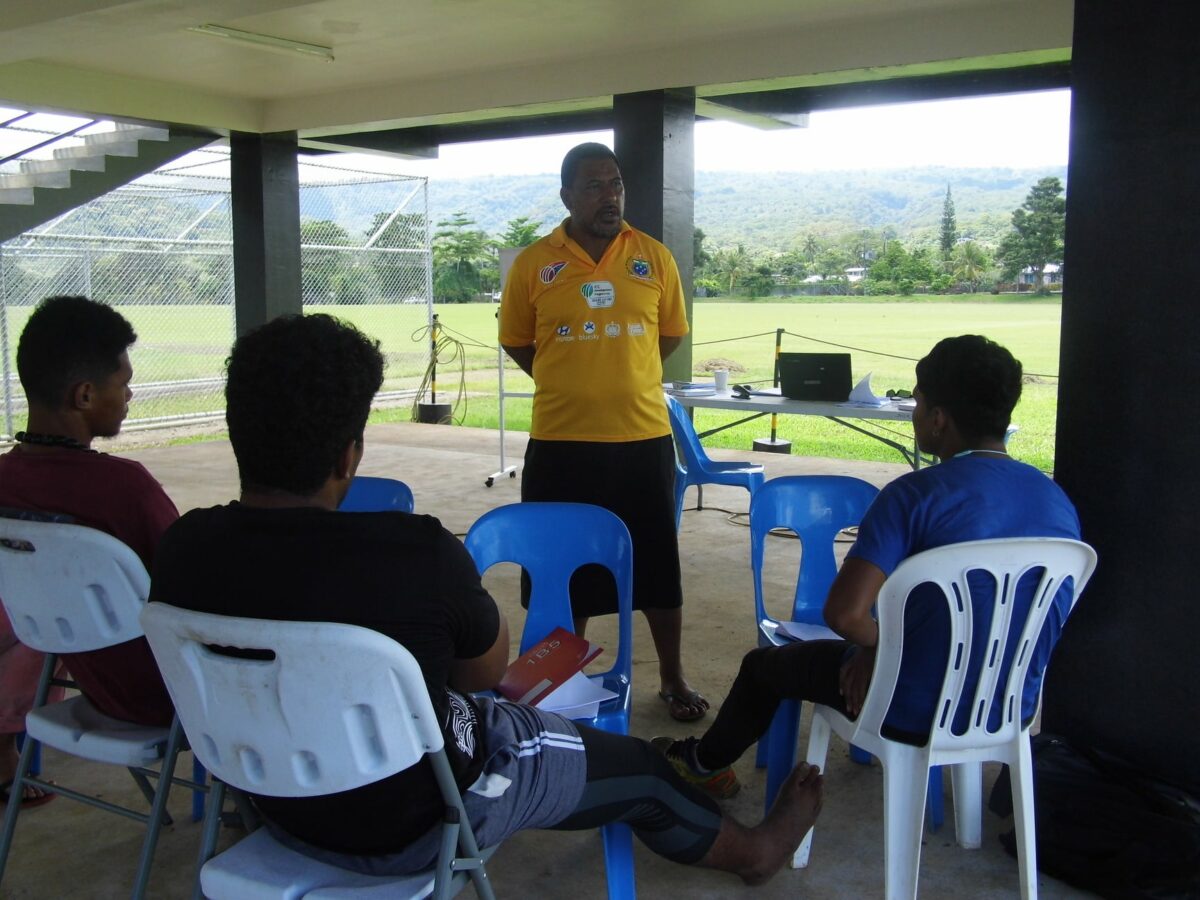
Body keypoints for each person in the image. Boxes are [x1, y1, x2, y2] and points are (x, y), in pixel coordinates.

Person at [148, 313, 824, 885]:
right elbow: (482, 681)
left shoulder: (181, 550)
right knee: (644, 771)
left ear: (237, 433)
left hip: (273, 806)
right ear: (350, 456)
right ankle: (756, 852)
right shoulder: (415, 553)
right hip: (419, 820)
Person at [654, 335, 1082, 799]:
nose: (916, 412)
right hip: (1007, 706)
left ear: (938, 419)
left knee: (763, 667)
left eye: (918, 402)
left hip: (911, 704)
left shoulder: (914, 496)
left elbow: (845, 617)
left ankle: (701, 764)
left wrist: (882, 648)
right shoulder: (1055, 501)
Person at [498, 142, 707, 722]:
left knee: (657, 566)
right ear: (566, 195)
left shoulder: (654, 257)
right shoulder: (536, 263)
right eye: (594, 186)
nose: (609, 195)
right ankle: (556, 682)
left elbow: (668, 336)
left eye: (615, 183)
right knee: (561, 569)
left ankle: (671, 675)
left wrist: (623, 376)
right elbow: (517, 341)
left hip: (642, 441)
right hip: (561, 443)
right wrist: (571, 382)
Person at [0, 295, 177, 808]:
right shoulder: (124, 488)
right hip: (171, 694)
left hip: (87, 683)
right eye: (122, 385)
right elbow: (191, 577)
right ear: (84, 395)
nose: (129, 396)